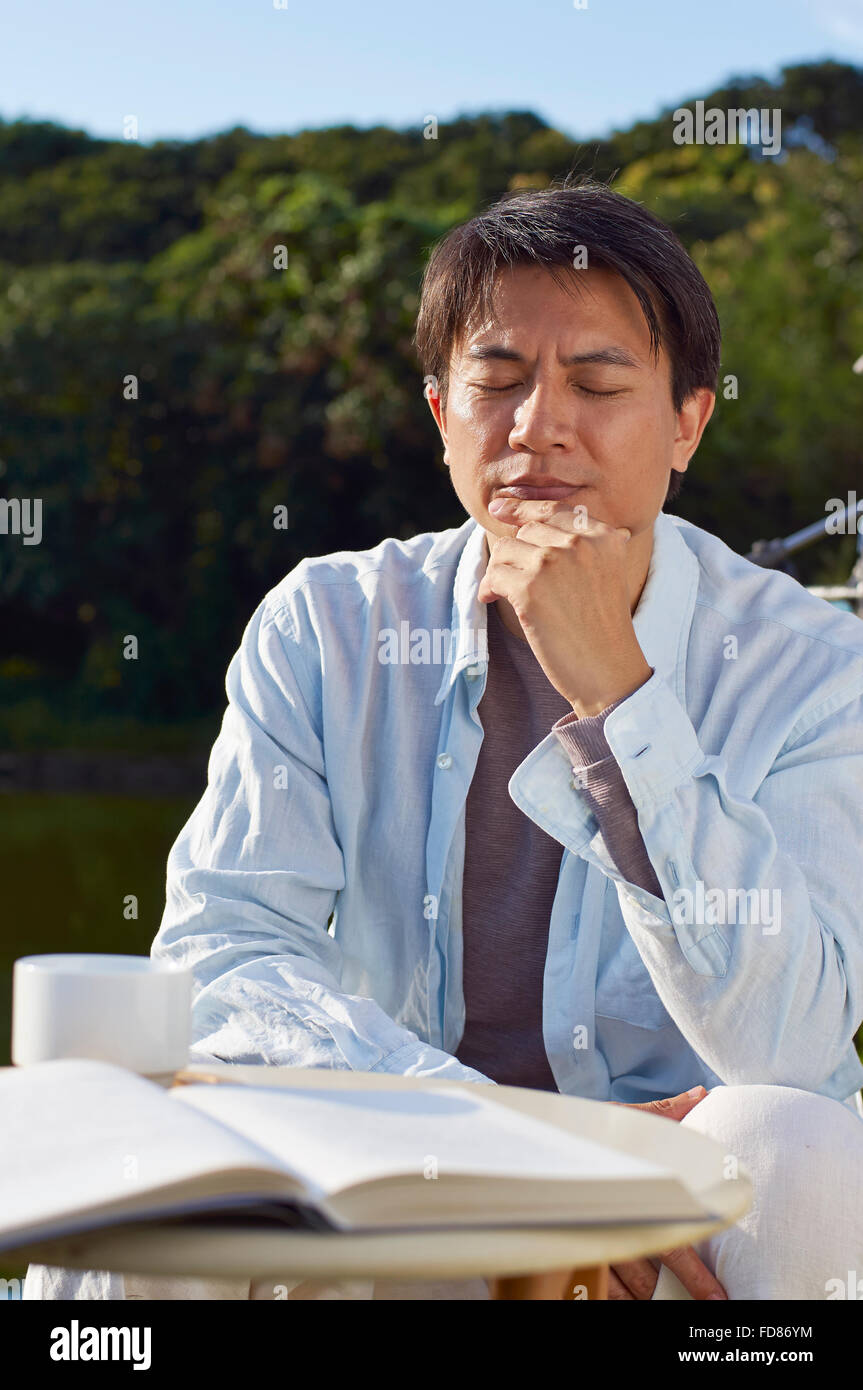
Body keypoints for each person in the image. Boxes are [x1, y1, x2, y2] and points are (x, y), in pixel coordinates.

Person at [26, 178, 863, 1302]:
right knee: (148, 1160)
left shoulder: (808, 666)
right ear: (439, 417)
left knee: (800, 1151)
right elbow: (224, 946)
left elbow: (793, 1039)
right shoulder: (328, 624)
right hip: (405, 1158)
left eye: (597, 382)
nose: (538, 427)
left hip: (672, 1210)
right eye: (498, 381)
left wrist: (614, 692)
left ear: (685, 424)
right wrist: (495, 1140)